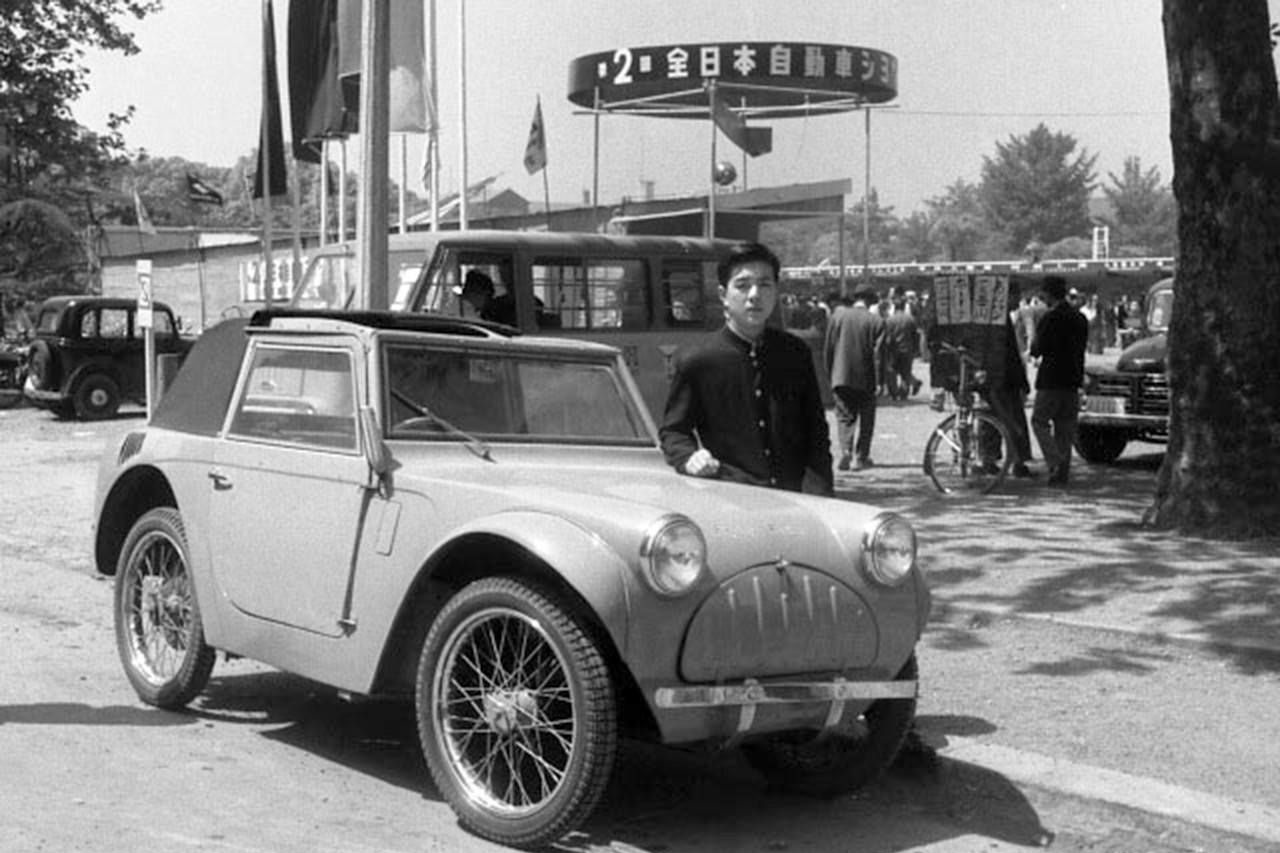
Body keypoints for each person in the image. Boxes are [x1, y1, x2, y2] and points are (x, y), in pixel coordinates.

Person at [659, 242, 833, 495]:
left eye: (764, 284)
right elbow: (673, 431)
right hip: (731, 498)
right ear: (723, 295)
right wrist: (689, 458)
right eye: (742, 285)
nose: (754, 295)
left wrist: (820, 495)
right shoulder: (697, 359)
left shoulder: (795, 353)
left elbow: (816, 432)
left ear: (776, 290)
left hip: (795, 498)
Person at [1029, 275, 1088, 485]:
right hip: (1073, 379)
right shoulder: (1080, 319)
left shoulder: (1049, 318)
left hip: (1051, 379)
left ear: (1047, 294)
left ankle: (1054, 461)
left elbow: (1037, 350)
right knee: (1065, 427)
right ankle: (1062, 473)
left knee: (1039, 421)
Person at [825, 283, 885, 470]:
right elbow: (879, 356)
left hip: (841, 375)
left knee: (844, 416)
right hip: (866, 379)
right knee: (867, 419)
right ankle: (861, 456)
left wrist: (831, 374)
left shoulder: (838, 316)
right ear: (870, 301)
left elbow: (829, 348)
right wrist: (880, 381)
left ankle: (845, 451)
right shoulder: (877, 322)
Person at [882, 289, 922, 400]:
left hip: (894, 350)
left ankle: (894, 393)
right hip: (907, 350)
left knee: (892, 371)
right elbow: (915, 336)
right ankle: (904, 393)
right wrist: (916, 349)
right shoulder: (910, 319)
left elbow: (888, 337)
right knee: (906, 372)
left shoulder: (890, 320)